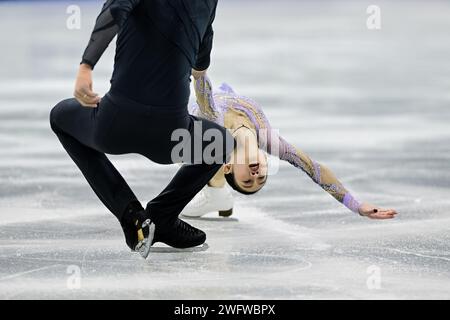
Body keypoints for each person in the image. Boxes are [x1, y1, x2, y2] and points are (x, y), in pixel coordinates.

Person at [49, 0, 235, 258]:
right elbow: (200, 67)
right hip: (170, 138)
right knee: (222, 142)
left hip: (113, 127)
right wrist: (210, 118)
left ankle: (131, 216)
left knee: (60, 117)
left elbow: (113, 12)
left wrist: (86, 66)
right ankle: (163, 216)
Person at [181, 73, 398, 220]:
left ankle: (215, 189)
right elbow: (314, 169)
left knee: (199, 145)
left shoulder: (215, 127)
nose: (256, 175)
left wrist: (199, 61)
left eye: (247, 180)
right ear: (266, 161)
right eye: (261, 178)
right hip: (224, 95)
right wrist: (356, 206)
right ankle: (217, 191)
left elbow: (202, 88)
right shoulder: (269, 141)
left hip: (189, 108)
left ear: (229, 167)